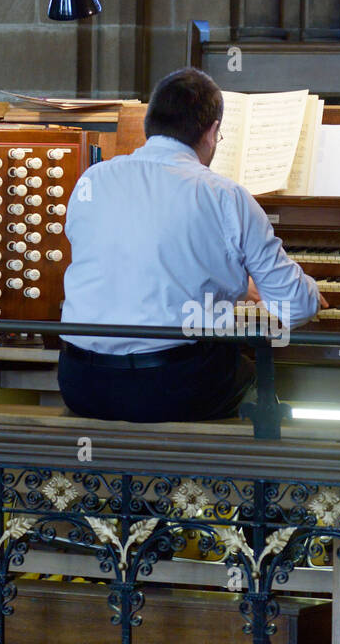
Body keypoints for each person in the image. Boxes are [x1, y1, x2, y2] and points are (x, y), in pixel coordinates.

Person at [58, 67, 325, 423]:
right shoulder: (225, 195)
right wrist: (303, 291)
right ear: (212, 132)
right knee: (260, 384)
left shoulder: (92, 179)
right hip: (173, 387)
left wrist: (233, 285)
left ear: (150, 125)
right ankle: (251, 462)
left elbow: (134, 261)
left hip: (81, 383)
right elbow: (295, 308)